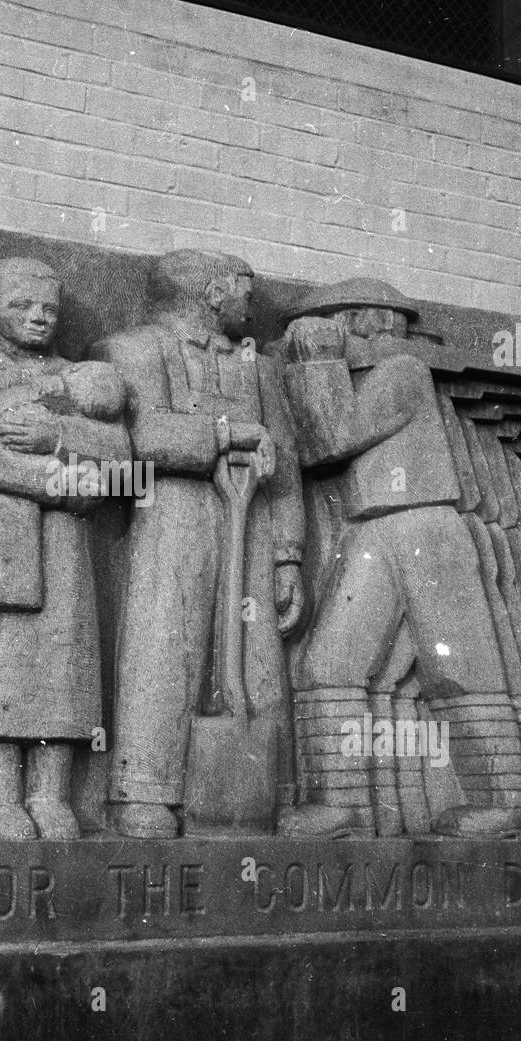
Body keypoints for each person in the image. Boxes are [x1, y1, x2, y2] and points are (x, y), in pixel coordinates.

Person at [276, 281, 521, 838]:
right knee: (329, 665)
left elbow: (330, 439)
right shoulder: (372, 376)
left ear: (369, 323)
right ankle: (342, 805)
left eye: (329, 326)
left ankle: (507, 804)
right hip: (375, 529)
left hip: (426, 526)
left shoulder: (401, 372)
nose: (317, 338)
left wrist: (315, 361)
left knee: (461, 670)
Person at [91, 249, 306, 838]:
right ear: (213, 291)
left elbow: (282, 459)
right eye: (244, 290)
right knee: (165, 640)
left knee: (258, 652)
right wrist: (224, 433)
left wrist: (290, 554)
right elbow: (138, 437)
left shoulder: (257, 368)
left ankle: (272, 796)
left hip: (253, 514)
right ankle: (145, 791)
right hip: (170, 511)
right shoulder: (133, 348)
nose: (250, 305)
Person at [0, 257, 130, 839]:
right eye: (23, 306)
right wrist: (58, 482)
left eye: (49, 309)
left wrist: (59, 436)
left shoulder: (79, 379)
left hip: (66, 540)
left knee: (62, 659)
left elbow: (122, 460)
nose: (40, 318)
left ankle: (51, 795)